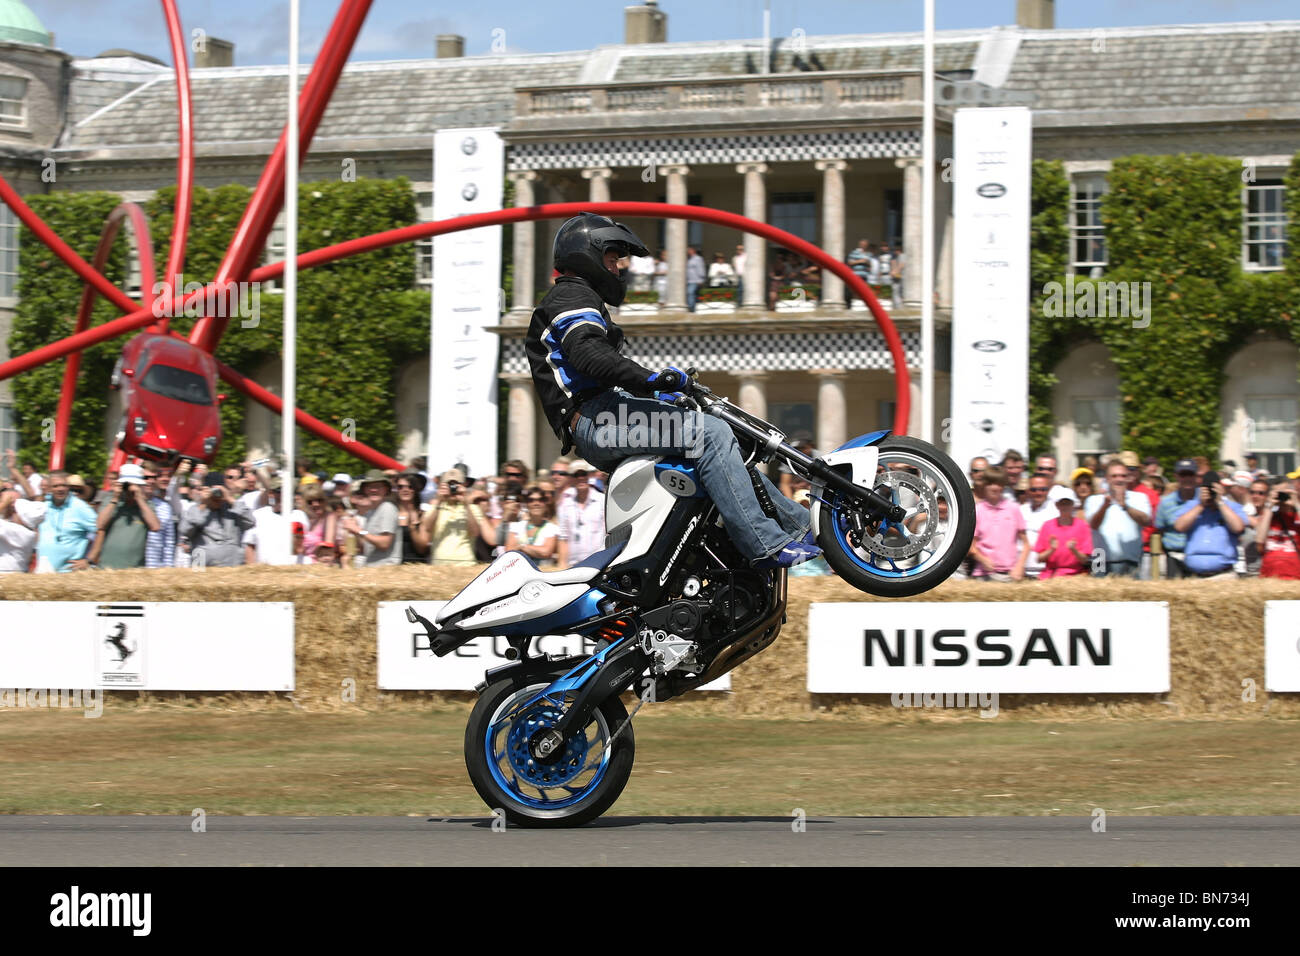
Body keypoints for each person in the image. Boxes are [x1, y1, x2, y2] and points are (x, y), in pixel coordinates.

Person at [526, 212, 818, 568]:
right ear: (588, 254)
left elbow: (596, 365)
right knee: (709, 435)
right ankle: (763, 544)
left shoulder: (577, 298)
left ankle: (803, 527)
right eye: (612, 258)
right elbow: (589, 355)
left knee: (729, 449)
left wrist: (658, 395)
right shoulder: (571, 296)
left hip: (607, 412)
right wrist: (653, 379)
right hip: (596, 418)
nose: (618, 268)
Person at [1170, 470, 1247, 578]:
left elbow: (1238, 528)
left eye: (1213, 489)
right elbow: (1179, 526)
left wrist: (1220, 502)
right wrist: (1201, 505)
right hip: (1194, 575)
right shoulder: (1192, 506)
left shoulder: (1232, 507)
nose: (1210, 493)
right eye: (1207, 489)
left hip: (1223, 575)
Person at [1084, 459, 1152, 577]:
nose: (1119, 479)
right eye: (1114, 476)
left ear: (1128, 478)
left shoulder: (1139, 498)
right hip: (1100, 560)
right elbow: (1094, 525)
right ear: (1107, 479)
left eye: (1123, 475)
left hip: (1131, 561)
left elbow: (1146, 521)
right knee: (1098, 593)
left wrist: (1125, 505)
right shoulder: (1094, 500)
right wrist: (1104, 506)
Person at [88, 463, 161, 569]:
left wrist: (139, 499)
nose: (129, 489)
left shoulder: (147, 505)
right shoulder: (110, 500)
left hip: (134, 569)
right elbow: (100, 525)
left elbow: (155, 527)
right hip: (107, 568)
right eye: (126, 485)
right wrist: (115, 498)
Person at [179, 473, 255, 567]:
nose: (217, 497)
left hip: (232, 566)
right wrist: (203, 504)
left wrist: (229, 498)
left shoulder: (233, 509)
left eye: (220, 492)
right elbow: (185, 530)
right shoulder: (195, 509)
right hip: (203, 567)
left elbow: (251, 522)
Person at [968, 466, 1028, 581]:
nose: (995, 487)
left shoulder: (1013, 508)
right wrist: (982, 559)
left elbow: (1026, 544)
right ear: (984, 485)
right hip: (983, 574)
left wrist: (1020, 566)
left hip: (1010, 574)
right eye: (991, 484)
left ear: (1003, 486)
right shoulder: (978, 510)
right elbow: (970, 546)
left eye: (999, 484)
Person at [420, 466, 488, 566]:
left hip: (466, 565)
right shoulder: (434, 507)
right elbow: (427, 528)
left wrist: (465, 504)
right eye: (449, 485)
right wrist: (439, 500)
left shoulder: (472, 508)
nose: (453, 488)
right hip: (439, 567)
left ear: (463, 485)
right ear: (442, 486)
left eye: (456, 484)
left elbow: (475, 533)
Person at [34, 470, 98, 572]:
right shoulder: (43, 506)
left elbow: (101, 530)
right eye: (56, 486)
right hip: (44, 573)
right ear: (49, 488)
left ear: (68, 487)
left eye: (64, 485)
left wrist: (89, 560)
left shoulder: (80, 507)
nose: (60, 489)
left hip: (68, 574)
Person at [243, 478, 309, 565]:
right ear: (271, 494)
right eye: (279, 491)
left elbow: (300, 546)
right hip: (264, 571)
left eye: (287, 491)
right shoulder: (258, 515)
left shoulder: (299, 515)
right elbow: (250, 546)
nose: (283, 494)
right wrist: (251, 570)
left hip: (291, 569)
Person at [342, 470, 401, 566]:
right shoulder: (370, 513)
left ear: (386, 489)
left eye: (378, 486)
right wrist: (354, 531)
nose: (374, 490)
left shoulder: (387, 508)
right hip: (371, 567)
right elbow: (368, 543)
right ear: (365, 490)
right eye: (370, 487)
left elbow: (384, 543)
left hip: (385, 568)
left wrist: (358, 530)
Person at [1155, 459, 1200, 578]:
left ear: (1196, 476)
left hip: (1199, 556)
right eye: (1183, 475)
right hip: (1174, 556)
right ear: (1176, 476)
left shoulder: (1204, 500)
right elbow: (1159, 530)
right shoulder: (1166, 503)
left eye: (1190, 474)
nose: (1187, 478)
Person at [555, 460, 605, 569]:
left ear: (588, 476)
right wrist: (562, 565)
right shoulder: (564, 504)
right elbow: (563, 538)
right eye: (576, 475)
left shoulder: (602, 500)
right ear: (571, 479)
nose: (580, 478)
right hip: (574, 566)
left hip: (599, 564)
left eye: (583, 474)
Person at [1033, 495, 1093, 578]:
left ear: (1073, 505)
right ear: (1057, 505)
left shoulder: (1082, 526)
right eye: (1062, 504)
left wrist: (1074, 550)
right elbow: (1039, 559)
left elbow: (1085, 560)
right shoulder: (1047, 525)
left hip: (1075, 576)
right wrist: (1051, 550)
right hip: (1051, 576)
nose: (1065, 507)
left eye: (1068, 504)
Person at [1255, 471, 1300, 579]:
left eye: (1284, 493)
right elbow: (1259, 542)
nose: (1281, 497)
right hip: (1269, 576)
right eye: (1278, 494)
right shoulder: (1268, 516)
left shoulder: (1297, 515)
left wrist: (1296, 503)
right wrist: (1269, 506)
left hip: (1294, 576)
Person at [504, 486, 560, 567]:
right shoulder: (515, 526)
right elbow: (509, 553)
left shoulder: (552, 528)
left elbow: (546, 552)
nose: (536, 503)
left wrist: (521, 547)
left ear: (545, 503)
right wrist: (536, 551)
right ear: (526, 504)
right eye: (531, 500)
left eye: (540, 500)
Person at [1020, 473, 1058, 580]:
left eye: (1043, 489)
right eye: (1034, 489)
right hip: (1023, 571)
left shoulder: (1055, 512)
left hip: (1046, 573)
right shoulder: (1021, 510)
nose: (1038, 493)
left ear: (1048, 490)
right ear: (1028, 491)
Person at [0, 482, 43, 572]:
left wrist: (4, 503)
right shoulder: (29, 532)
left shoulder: (19, 531)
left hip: (6, 576)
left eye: (14, 510)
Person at [685, 246, 706, 311]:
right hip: (689, 280)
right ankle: (695, 308)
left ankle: (691, 308)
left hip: (695, 280)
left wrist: (701, 279)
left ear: (693, 250)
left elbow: (700, 269)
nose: (687, 252)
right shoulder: (688, 259)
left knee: (690, 293)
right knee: (694, 294)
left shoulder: (698, 258)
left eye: (689, 250)